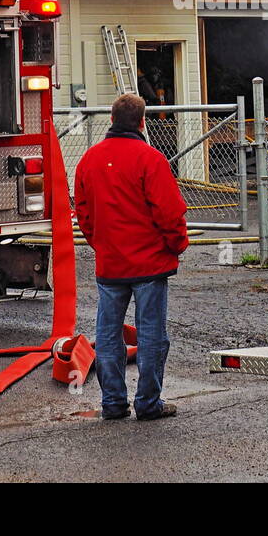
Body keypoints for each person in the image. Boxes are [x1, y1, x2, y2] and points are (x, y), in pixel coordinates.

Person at [74, 93, 189, 420]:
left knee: (108, 335)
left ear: (111, 120)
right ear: (142, 121)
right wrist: (176, 245)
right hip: (149, 265)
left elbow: (83, 212)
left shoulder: (89, 160)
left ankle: (113, 403)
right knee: (152, 334)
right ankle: (148, 403)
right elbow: (169, 213)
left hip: (111, 265)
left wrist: (102, 243)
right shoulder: (150, 159)